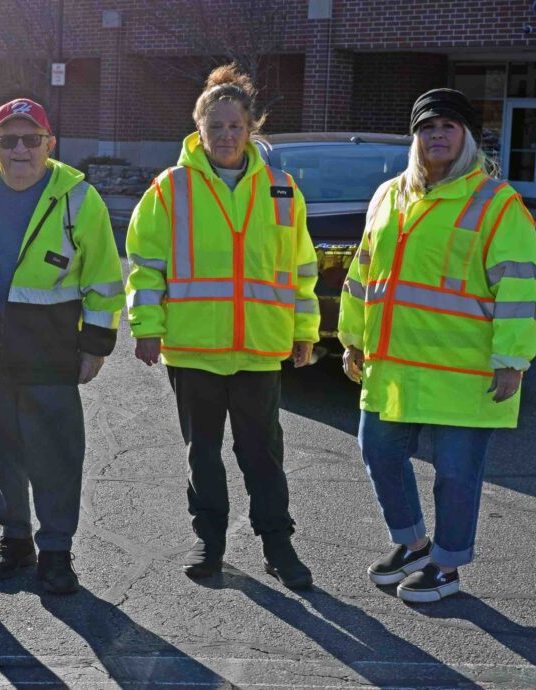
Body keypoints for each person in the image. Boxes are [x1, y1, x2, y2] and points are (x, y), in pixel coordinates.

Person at [338, 88, 536, 603]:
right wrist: (352, 340)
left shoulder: (497, 203)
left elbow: (521, 287)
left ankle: (447, 566)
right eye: (427, 127)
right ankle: (412, 544)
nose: (436, 135)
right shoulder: (388, 195)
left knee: (455, 476)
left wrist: (512, 360)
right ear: (415, 137)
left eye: (448, 127)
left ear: (468, 138)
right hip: (394, 365)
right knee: (378, 452)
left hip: (464, 371)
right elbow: (363, 274)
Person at [125, 63, 319, 590]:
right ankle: (208, 541)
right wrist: (146, 326)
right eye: (217, 128)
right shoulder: (171, 189)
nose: (227, 136)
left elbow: (301, 267)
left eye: (236, 126)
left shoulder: (282, 190)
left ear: (252, 127)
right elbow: (145, 263)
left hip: (259, 347)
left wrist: (305, 331)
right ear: (199, 130)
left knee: (262, 453)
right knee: (202, 452)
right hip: (193, 347)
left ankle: (278, 544)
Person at [0, 99, 124, 594]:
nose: (21, 149)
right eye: (9, 140)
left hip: (51, 350)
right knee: (2, 449)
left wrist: (96, 344)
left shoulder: (77, 198)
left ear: (51, 145)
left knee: (55, 453)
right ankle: (15, 539)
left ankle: (56, 549)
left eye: (32, 139)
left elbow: (104, 280)